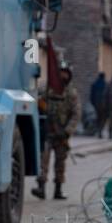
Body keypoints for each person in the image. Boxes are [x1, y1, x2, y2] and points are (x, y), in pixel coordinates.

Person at [32, 62, 80, 200]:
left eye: (65, 73)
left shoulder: (71, 93)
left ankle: (58, 189)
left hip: (61, 134)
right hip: (48, 132)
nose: (63, 75)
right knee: (43, 161)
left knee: (60, 163)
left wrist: (67, 131)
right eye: (61, 72)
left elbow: (76, 114)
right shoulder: (49, 89)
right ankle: (41, 187)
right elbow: (37, 98)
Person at [90, 72, 108, 138]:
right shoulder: (105, 85)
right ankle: (100, 131)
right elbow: (108, 96)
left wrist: (93, 103)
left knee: (98, 118)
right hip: (103, 105)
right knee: (102, 118)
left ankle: (98, 130)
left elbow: (91, 96)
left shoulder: (95, 84)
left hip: (96, 104)